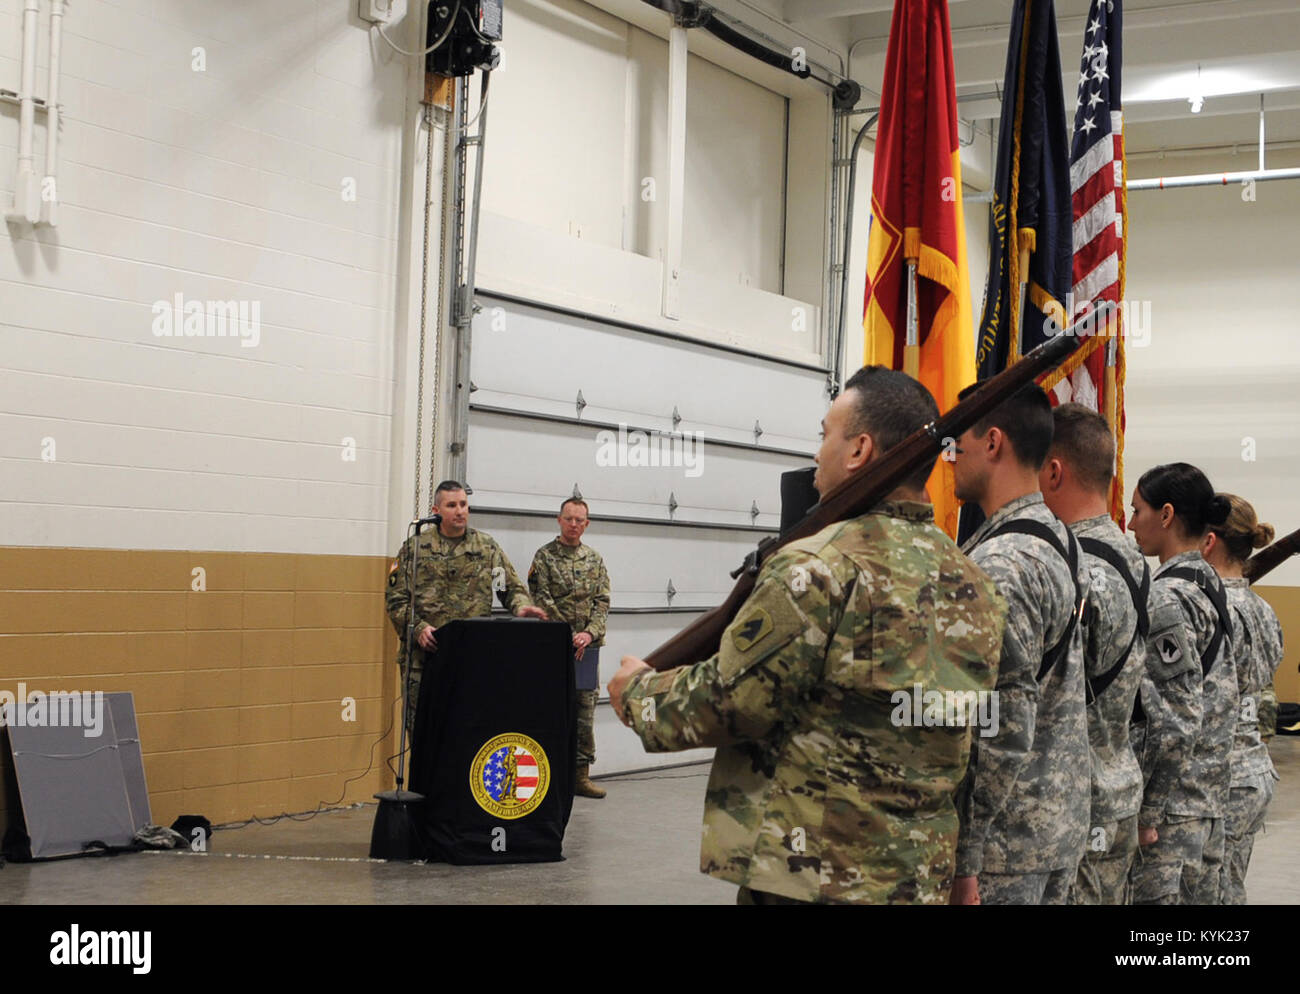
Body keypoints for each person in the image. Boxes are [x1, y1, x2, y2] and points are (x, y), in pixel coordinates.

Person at [606, 366, 1006, 904]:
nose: (817, 453)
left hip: (813, 873)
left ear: (860, 449)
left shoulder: (817, 567)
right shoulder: (975, 580)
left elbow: (732, 700)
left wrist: (636, 693)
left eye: (825, 435)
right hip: (918, 874)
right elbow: (975, 741)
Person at [949, 383, 1090, 906]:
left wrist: (966, 857)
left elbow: (1002, 721)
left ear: (992, 443)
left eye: (956, 445)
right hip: (1055, 823)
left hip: (1004, 849)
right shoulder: (1062, 540)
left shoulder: (1000, 565)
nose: (950, 461)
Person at [1038, 404, 1148, 904]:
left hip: (1076, 803)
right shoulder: (1133, 557)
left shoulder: (1077, 569)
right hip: (1117, 787)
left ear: (1053, 471)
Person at [1127, 463, 1234, 905]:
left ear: (1166, 514)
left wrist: (1148, 811)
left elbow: (1176, 717)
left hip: (1173, 813)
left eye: (1137, 510)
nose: (1131, 524)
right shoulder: (1209, 583)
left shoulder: (1170, 596)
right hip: (1205, 801)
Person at [385, 480, 546, 733]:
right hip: (424, 660)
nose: (460, 511)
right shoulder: (414, 549)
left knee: (469, 732)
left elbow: (508, 588)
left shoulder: (486, 548)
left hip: (471, 657)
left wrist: (521, 607)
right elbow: (396, 600)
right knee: (424, 734)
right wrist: (417, 628)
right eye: (452, 505)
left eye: (463, 504)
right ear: (436, 511)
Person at [1202, 493, 1283, 904]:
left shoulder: (1205, 607)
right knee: (1229, 886)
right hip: (1253, 769)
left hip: (1217, 778)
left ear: (1208, 540)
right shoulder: (1263, 610)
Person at [529, 498, 612, 799]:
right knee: (551, 709)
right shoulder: (544, 557)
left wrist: (589, 634)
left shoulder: (594, 559)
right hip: (555, 647)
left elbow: (602, 602)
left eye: (580, 520)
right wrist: (568, 633)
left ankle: (580, 776)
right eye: (569, 519)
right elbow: (541, 598)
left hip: (586, 651)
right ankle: (549, 774)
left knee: (584, 711)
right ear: (559, 520)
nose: (574, 525)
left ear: (587, 524)